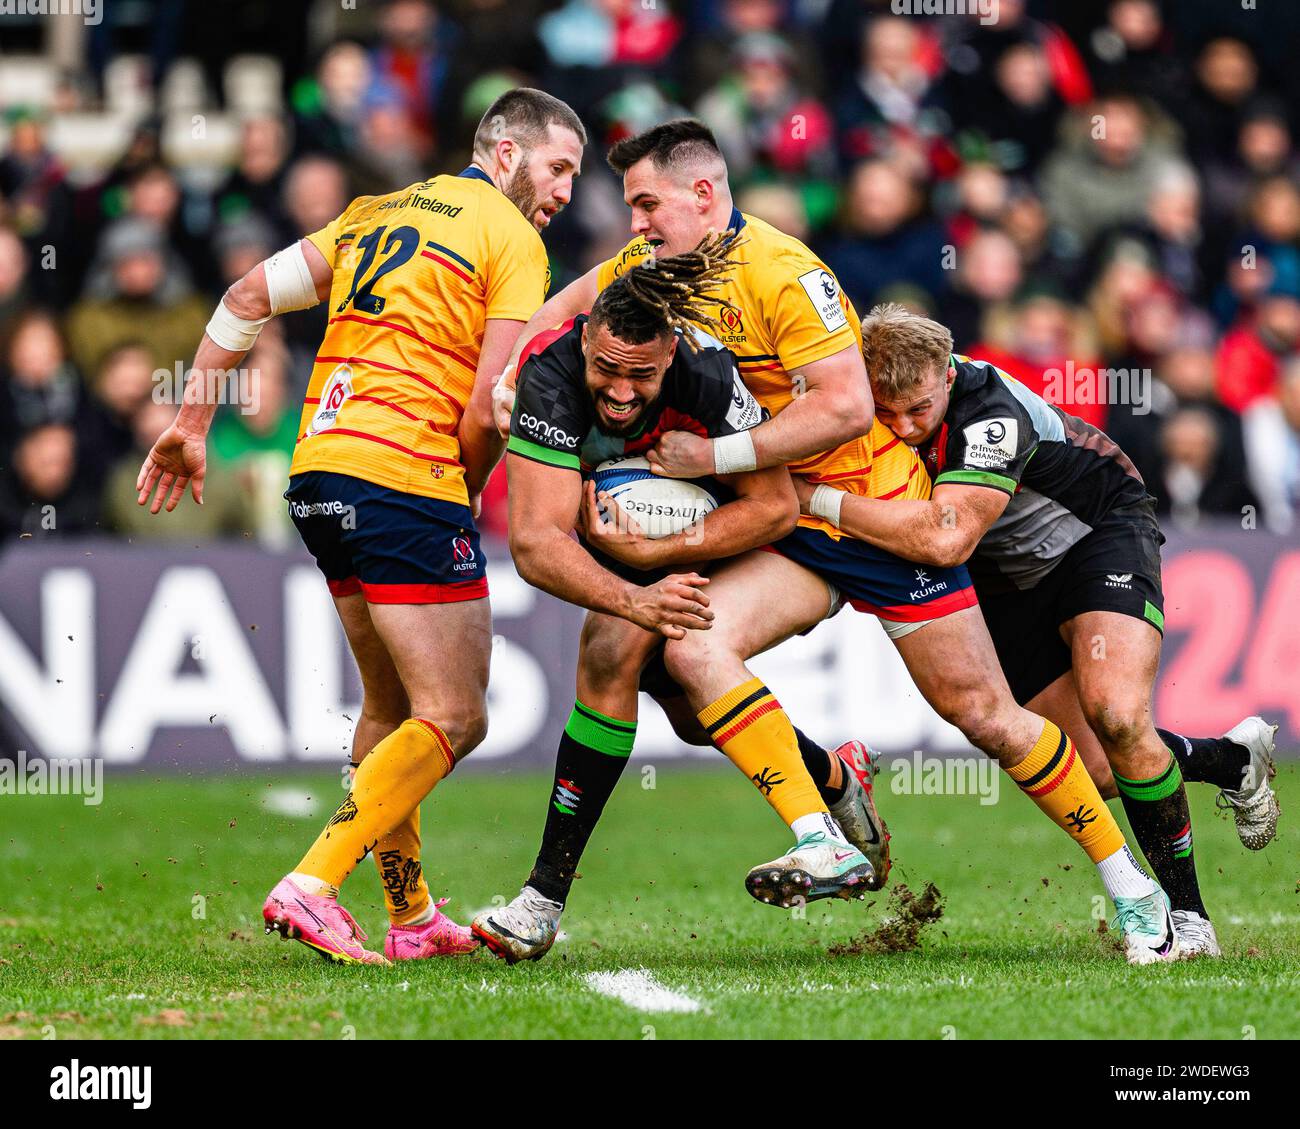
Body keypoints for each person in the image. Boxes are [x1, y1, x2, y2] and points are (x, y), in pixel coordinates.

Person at [486, 120, 1176, 967]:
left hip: (867, 505)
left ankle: (1133, 888)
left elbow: (848, 410)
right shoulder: (650, 267)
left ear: (705, 196)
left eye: (646, 204)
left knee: (987, 715)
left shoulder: (786, 271)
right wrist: (512, 373)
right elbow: (566, 305)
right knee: (691, 644)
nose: (635, 223)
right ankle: (822, 831)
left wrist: (715, 457)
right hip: (779, 513)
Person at [134, 87, 586, 965]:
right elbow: (493, 405)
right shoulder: (510, 237)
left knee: (391, 705)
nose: (566, 189)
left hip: (320, 471)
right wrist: (459, 496)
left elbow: (242, 296)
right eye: (557, 167)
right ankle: (311, 881)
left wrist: (191, 423)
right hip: (401, 477)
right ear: (502, 154)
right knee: (456, 715)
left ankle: (412, 917)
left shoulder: (372, 216)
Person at [796, 303, 1282, 958]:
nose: (906, 427)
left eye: (919, 408)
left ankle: (1188, 920)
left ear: (945, 373)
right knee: (1097, 769)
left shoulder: (991, 412)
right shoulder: (858, 405)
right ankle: (1229, 758)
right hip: (1004, 584)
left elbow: (946, 537)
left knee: (1116, 713)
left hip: (1094, 537)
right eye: (891, 411)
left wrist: (815, 502)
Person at [475, 239, 884, 962]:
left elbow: (776, 508)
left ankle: (541, 900)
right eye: (607, 369)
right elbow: (536, 545)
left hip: (733, 534)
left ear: (670, 355)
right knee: (694, 717)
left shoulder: (705, 373)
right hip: (639, 549)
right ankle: (832, 774)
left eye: (642, 376)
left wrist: (656, 561)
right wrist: (640, 593)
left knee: (615, 653)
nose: (623, 392)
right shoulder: (551, 374)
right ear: (586, 340)